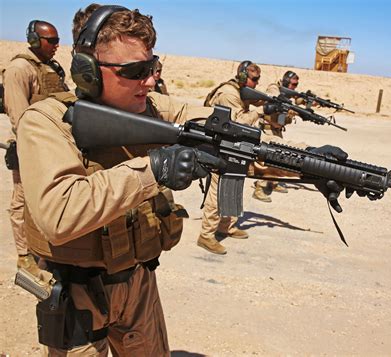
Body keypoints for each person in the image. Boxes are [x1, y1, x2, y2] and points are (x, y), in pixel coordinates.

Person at [16, 4, 215, 355]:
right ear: (87, 71)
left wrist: (300, 159)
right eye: (136, 71)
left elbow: (207, 124)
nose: (150, 80)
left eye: (153, 67)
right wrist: (154, 169)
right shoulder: (46, 121)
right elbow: (59, 215)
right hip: (78, 290)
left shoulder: (150, 108)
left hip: (138, 279)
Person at [2, 20, 69, 276]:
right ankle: (23, 256)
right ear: (34, 40)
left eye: (56, 39)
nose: (56, 45)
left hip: (52, 147)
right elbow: (19, 118)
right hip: (29, 148)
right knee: (22, 201)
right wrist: (31, 152)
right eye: (50, 40)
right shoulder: (19, 69)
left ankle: (42, 250)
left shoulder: (50, 67)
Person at [196, 60, 269, 254]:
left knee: (234, 184)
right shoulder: (229, 93)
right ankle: (206, 235)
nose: (257, 83)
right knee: (218, 189)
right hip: (217, 147)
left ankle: (226, 226)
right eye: (254, 79)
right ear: (244, 77)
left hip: (231, 147)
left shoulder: (239, 93)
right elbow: (237, 123)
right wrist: (260, 112)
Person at [252, 70, 302, 202]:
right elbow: (273, 95)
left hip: (277, 131)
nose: (294, 87)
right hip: (268, 130)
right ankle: (260, 188)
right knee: (267, 160)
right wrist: (282, 101)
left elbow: (298, 99)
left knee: (279, 158)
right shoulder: (274, 87)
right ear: (285, 82)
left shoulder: (288, 93)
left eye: (296, 85)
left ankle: (273, 183)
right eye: (293, 84)